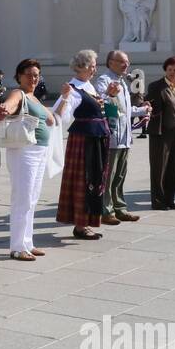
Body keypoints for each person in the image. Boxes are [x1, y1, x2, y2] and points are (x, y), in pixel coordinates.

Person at [0, 59, 73, 258]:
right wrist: (5, 108)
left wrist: (64, 97)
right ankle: (17, 247)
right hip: (24, 151)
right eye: (29, 74)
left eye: (36, 75)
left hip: (39, 152)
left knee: (32, 199)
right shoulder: (18, 93)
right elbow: (11, 105)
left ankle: (27, 243)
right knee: (22, 199)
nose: (33, 78)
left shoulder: (34, 98)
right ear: (19, 76)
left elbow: (54, 119)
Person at [56, 50, 113, 238]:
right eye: (93, 64)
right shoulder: (72, 88)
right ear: (83, 66)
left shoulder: (89, 86)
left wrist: (110, 97)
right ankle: (80, 225)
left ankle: (87, 222)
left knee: (95, 178)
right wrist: (64, 97)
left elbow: (99, 109)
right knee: (84, 180)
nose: (95, 68)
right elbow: (61, 117)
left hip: (95, 139)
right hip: (83, 141)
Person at [94, 50, 151, 223]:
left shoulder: (123, 82)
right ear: (111, 62)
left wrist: (143, 109)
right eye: (121, 62)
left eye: (127, 62)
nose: (126, 65)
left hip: (124, 137)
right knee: (109, 176)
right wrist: (109, 95)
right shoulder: (105, 80)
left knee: (119, 175)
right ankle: (106, 210)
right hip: (112, 137)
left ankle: (120, 208)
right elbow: (101, 103)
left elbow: (124, 110)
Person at [145, 57, 175, 210]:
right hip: (160, 134)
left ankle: (169, 199)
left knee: (174, 168)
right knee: (159, 169)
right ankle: (158, 201)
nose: (171, 72)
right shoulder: (156, 86)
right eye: (169, 69)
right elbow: (146, 103)